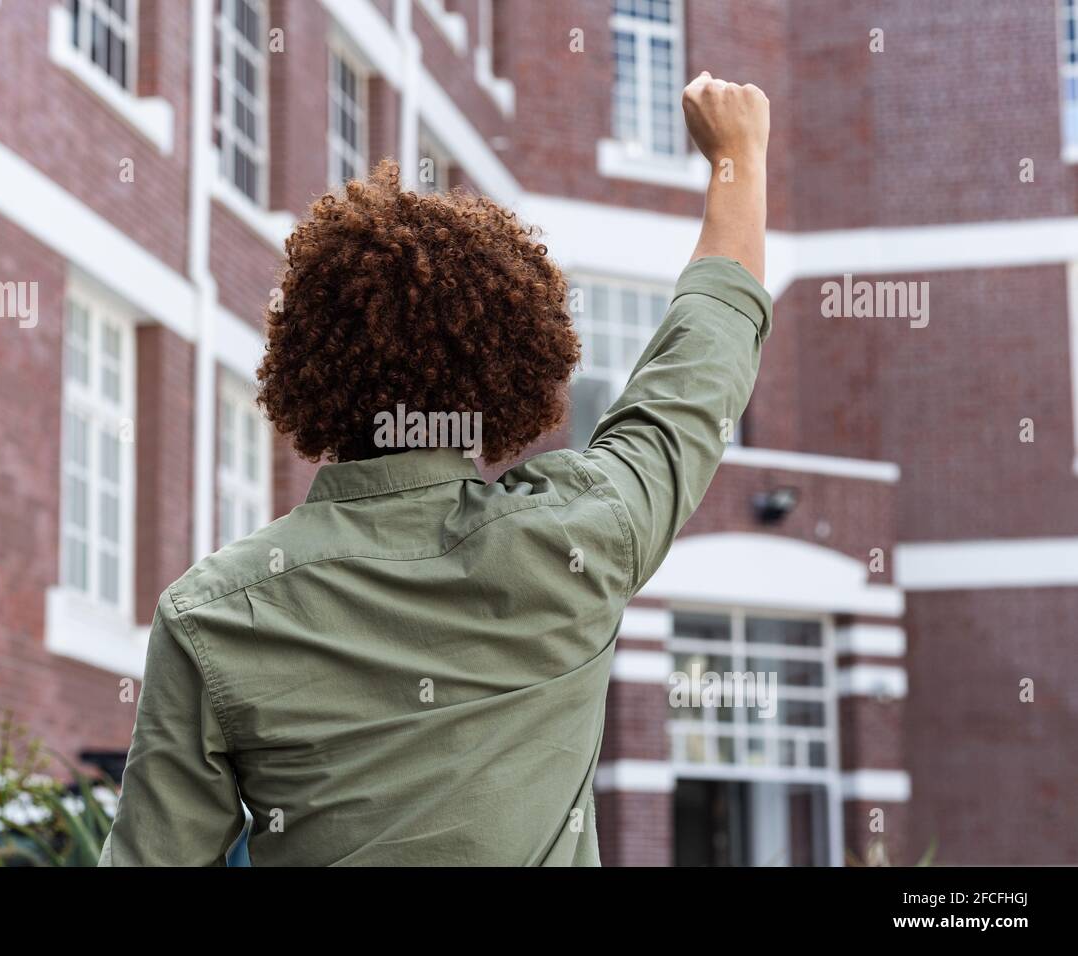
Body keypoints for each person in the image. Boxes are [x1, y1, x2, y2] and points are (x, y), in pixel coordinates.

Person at [99, 72, 771, 866]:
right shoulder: (578, 544)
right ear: (508, 373)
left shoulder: (212, 616)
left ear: (309, 368)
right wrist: (738, 159)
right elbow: (695, 375)